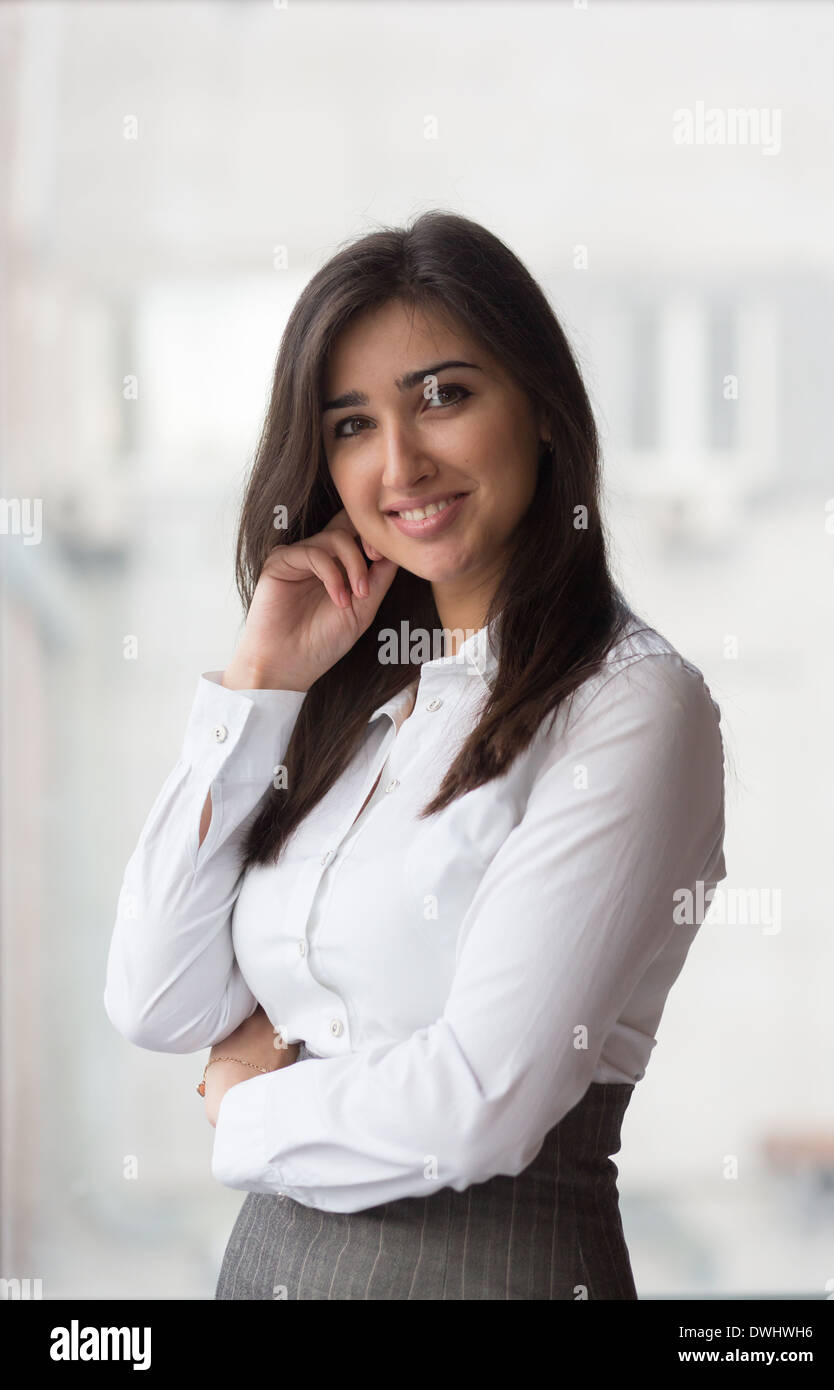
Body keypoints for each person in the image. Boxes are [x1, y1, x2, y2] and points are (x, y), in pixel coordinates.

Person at [103, 209, 727, 1300]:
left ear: (537, 406)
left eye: (443, 395)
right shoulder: (352, 703)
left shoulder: (631, 709)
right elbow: (154, 996)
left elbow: (478, 1102)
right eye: (350, 424)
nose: (399, 461)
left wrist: (245, 1103)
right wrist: (260, 686)